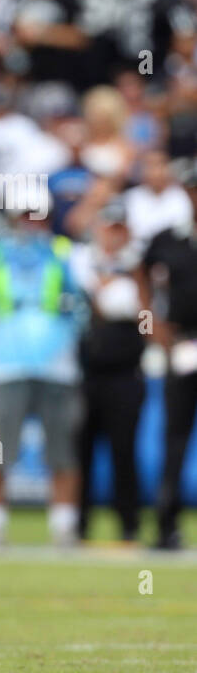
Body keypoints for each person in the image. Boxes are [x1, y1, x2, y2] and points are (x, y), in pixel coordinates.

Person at [0, 204, 86, 547]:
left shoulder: (65, 253)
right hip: (4, 365)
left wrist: (65, 337)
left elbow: (85, 303)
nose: (31, 223)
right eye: (26, 215)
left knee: (62, 451)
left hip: (57, 367)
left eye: (38, 215)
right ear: (14, 218)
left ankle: (64, 528)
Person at [67, 203, 145, 542]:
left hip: (126, 372)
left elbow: (140, 313)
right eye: (107, 227)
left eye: (118, 229)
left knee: (123, 450)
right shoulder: (80, 258)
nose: (112, 236)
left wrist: (111, 287)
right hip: (86, 371)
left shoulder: (139, 266)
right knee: (80, 450)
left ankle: (129, 525)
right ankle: (78, 524)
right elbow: (90, 301)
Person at [143, 197, 197, 550]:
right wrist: (152, 323)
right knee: (175, 439)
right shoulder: (168, 239)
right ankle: (167, 527)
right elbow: (139, 275)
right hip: (185, 343)